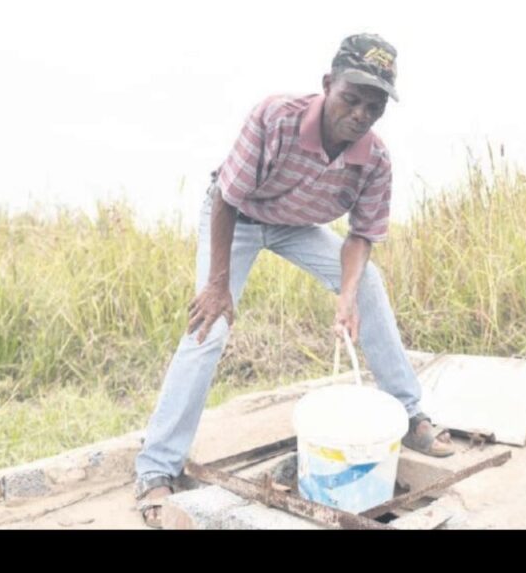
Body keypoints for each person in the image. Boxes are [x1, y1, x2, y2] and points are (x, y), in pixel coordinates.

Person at [134, 34, 453, 528]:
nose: (361, 114)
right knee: (208, 327)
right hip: (236, 217)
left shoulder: (376, 160)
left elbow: (361, 238)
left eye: (374, 106)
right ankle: (157, 468)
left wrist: (346, 297)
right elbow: (226, 196)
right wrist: (217, 285)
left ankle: (410, 416)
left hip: (296, 226)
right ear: (328, 85)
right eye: (351, 97)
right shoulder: (275, 117)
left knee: (369, 284)